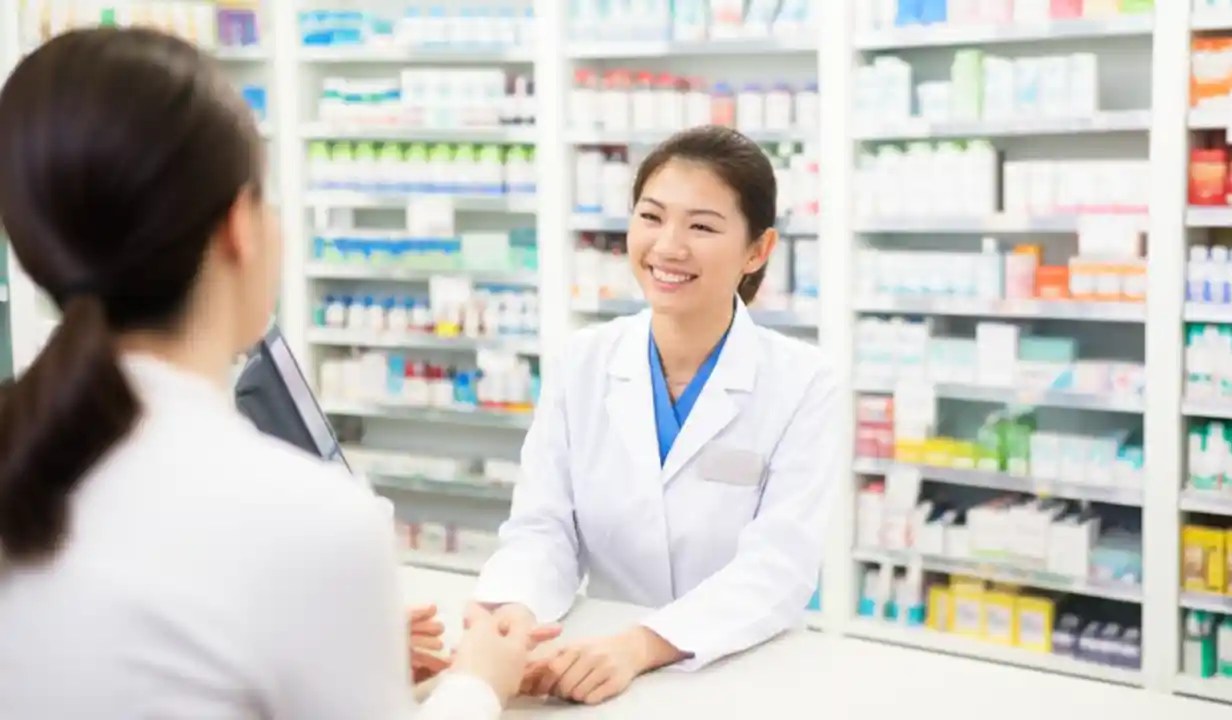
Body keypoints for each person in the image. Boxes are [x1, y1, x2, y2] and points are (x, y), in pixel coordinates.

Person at [0, 27, 552, 720]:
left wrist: (336, 648)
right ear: (239, 226)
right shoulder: (312, 520)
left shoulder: (31, 453)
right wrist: (478, 683)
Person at [471, 125, 839, 705]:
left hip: (739, 671)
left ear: (757, 250)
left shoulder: (803, 382)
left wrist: (641, 645)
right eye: (651, 217)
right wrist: (514, 611)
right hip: (597, 664)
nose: (668, 246)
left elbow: (779, 571)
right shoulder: (583, 361)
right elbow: (543, 530)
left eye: (701, 226)